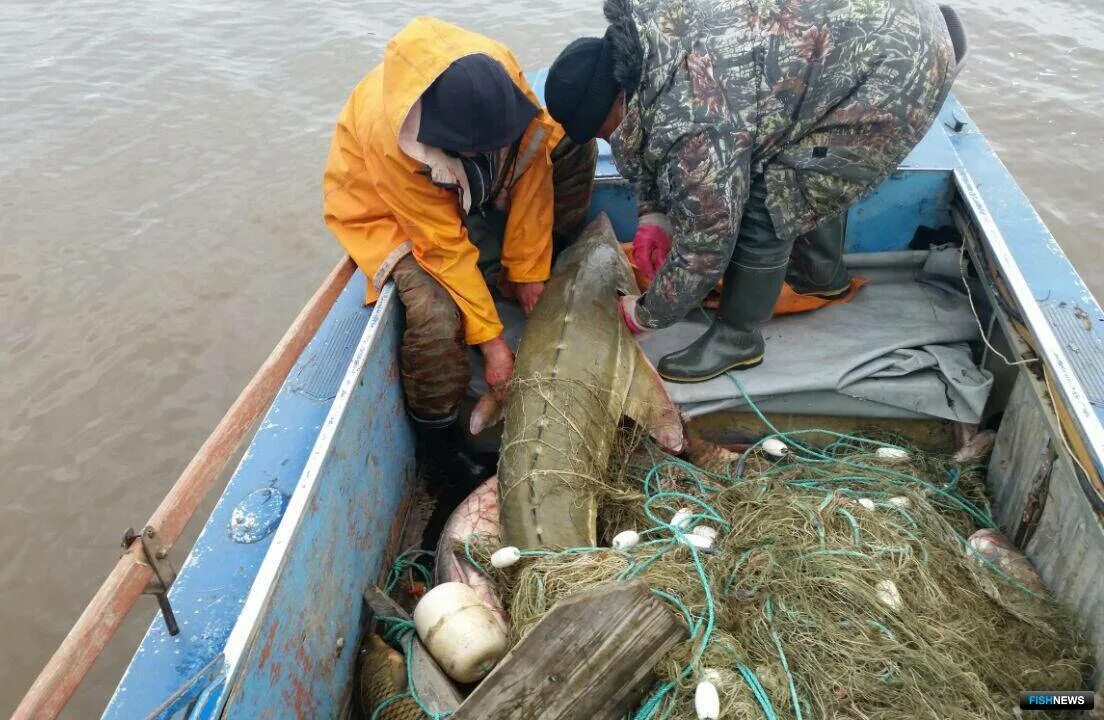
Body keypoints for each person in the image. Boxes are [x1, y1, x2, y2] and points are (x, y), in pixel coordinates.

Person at [545, 0, 967, 382]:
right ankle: (822, 276)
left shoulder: (690, 116)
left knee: (772, 197)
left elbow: (709, 239)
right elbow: (659, 139)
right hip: (886, 25)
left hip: (895, 70)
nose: (608, 142)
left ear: (619, 99)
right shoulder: (648, 38)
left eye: (604, 132)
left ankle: (738, 338)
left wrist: (646, 313)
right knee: (794, 149)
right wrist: (653, 216)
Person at [324, 17, 597, 480]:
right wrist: (492, 344)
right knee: (434, 316)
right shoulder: (389, 138)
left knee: (570, 143)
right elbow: (443, 246)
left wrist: (530, 272)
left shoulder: (501, 76)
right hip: (388, 209)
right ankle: (441, 445)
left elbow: (530, 164)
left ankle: (533, 269)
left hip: (464, 183)